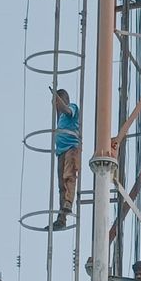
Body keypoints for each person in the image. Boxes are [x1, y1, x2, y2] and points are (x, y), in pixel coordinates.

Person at [51, 88, 80, 230]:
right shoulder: (60, 117)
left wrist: (58, 100)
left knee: (69, 177)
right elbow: (59, 111)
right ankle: (61, 218)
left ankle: (68, 203)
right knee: (61, 185)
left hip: (71, 149)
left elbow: (66, 109)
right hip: (60, 151)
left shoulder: (72, 108)